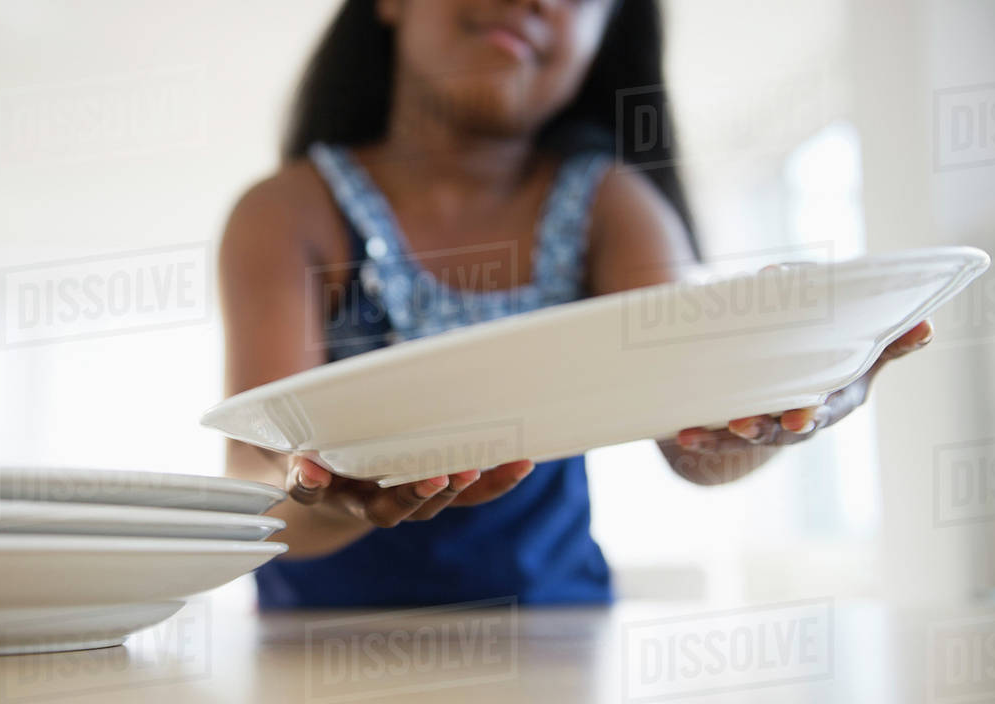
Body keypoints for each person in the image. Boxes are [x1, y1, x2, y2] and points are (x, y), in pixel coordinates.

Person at [218, 0, 933, 607]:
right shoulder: (286, 214)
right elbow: (257, 479)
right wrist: (325, 492)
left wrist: (789, 397)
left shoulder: (608, 206)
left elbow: (700, 442)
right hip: (317, 659)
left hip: (557, 640)